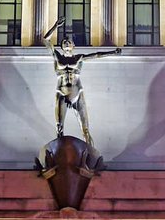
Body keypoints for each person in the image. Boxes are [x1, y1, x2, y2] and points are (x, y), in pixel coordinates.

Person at [45, 17, 120, 147]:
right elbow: (46, 40)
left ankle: (90, 152)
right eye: (64, 42)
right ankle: (61, 153)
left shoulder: (78, 58)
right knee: (59, 127)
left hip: (77, 93)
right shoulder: (57, 57)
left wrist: (112, 52)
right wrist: (55, 25)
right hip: (61, 92)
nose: (67, 43)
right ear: (61, 46)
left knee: (85, 129)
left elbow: (96, 55)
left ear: (73, 46)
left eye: (69, 42)